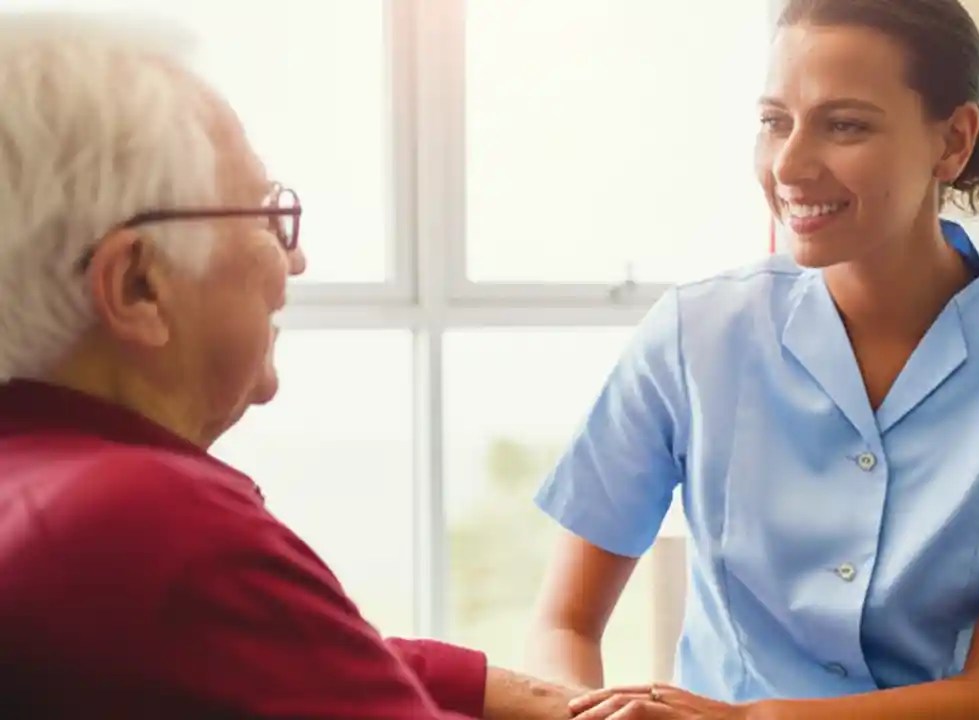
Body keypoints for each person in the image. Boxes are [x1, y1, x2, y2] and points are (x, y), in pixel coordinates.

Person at [528, 1, 979, 719]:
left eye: (844, 124)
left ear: (953, 141)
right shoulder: (695, 335)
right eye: (774, 121)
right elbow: (564, 624)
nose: (789, 164)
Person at [0, 14, 576, 719]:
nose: (295, 259)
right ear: (137, 286)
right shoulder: (156, 524)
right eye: (264, 218)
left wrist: (528, 696)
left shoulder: (38, 487)